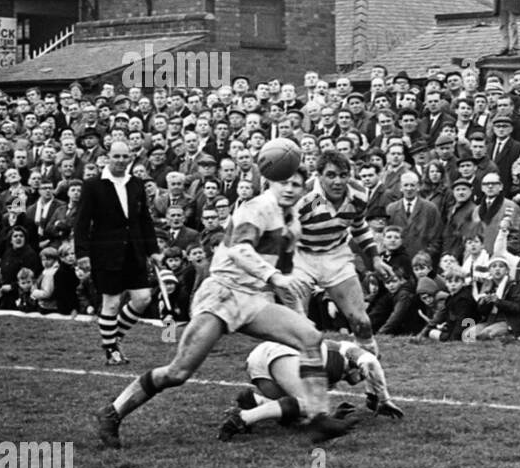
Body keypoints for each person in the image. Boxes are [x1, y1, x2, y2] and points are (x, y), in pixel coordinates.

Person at [95, 161, 347, 449]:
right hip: (222, 294)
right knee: (178, 372)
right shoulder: (257, 207)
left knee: (311, 337)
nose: (290, 189)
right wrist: (274, 277)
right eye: (284, 182)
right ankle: (113, 412)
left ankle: (318, 419)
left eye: (296, 185)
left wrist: (300, 317)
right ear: (270, 183)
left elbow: (286, 279)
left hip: (254, 299)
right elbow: (241, 250)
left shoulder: (292, 224)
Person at [291, 150, 396, 356]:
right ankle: (298, 370)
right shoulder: (310, 198)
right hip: (301, 256)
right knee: (298, 323)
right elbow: (286, 228)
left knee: (362, 322)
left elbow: (358, 227)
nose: (338, 181)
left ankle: (369, 364)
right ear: (319, 175)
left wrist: (375, 258)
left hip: (336, 255)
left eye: (343, 175)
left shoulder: (358, 195)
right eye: (331, 175)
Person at [74, 139, 159, 365]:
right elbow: (81, 223)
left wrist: (153, 250)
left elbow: (145, 220)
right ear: (108, 157)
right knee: (110, 303)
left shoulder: (137, 184)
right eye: (117, 156)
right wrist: (82, 253)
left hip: (134, 251)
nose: (121, 161)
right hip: (105, 253)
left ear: (130, 158)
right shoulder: (93, 185)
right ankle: (111, 351)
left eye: (125, 157)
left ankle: (113, 338)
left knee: (143, 298)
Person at [227, 338, 405, 439]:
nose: (358, 380)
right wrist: (384, 399)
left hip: (260, 359)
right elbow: (371, 362)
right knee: (310, 405)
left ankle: (253, 401)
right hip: (282, 354)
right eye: (361, 375)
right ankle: (243, 418)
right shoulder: (346, 349)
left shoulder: (335, 374)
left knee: (295, 410)